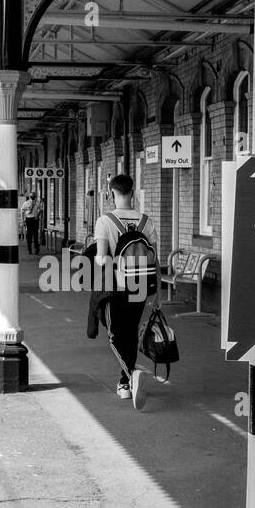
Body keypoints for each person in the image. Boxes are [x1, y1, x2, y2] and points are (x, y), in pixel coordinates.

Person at [94, 173, 157, 409]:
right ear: (133, 193)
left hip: (116, 287)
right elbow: (154, 260)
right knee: (130, 333)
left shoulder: (105, 221)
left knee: (114, 336)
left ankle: (131, 376)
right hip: (141, 286)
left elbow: (101, 259)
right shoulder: (146, 222)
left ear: (112, 194)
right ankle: (125, 383)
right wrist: (157, 295)